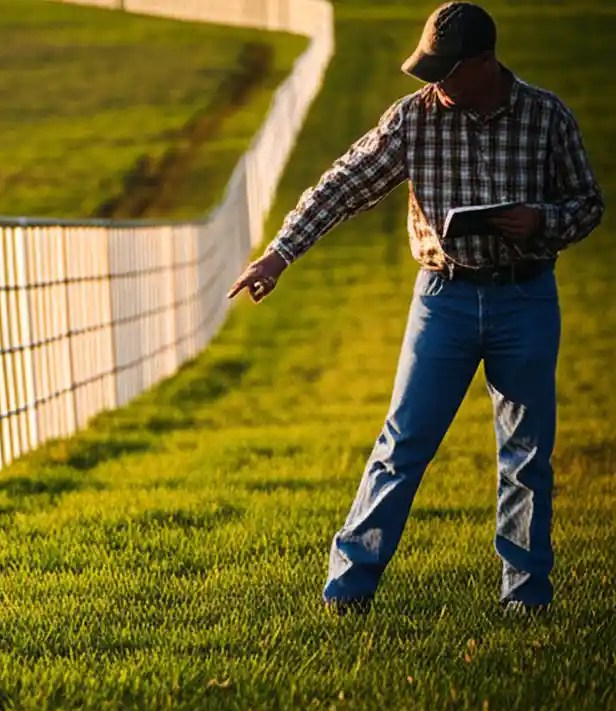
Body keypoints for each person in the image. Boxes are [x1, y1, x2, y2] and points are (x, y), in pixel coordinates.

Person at [227, 1, 604, 616]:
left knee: (527, 453)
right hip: (443, 300)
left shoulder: (546, 117)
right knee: (402, 444)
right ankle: (347, 591)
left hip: (525, 296)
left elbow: (588, 203)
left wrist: (542, 221)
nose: (436, 83)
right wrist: (278, 256)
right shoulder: (414, 119)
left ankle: (526, 599)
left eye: (447, 71)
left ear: (484, 63)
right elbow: (343, 184)